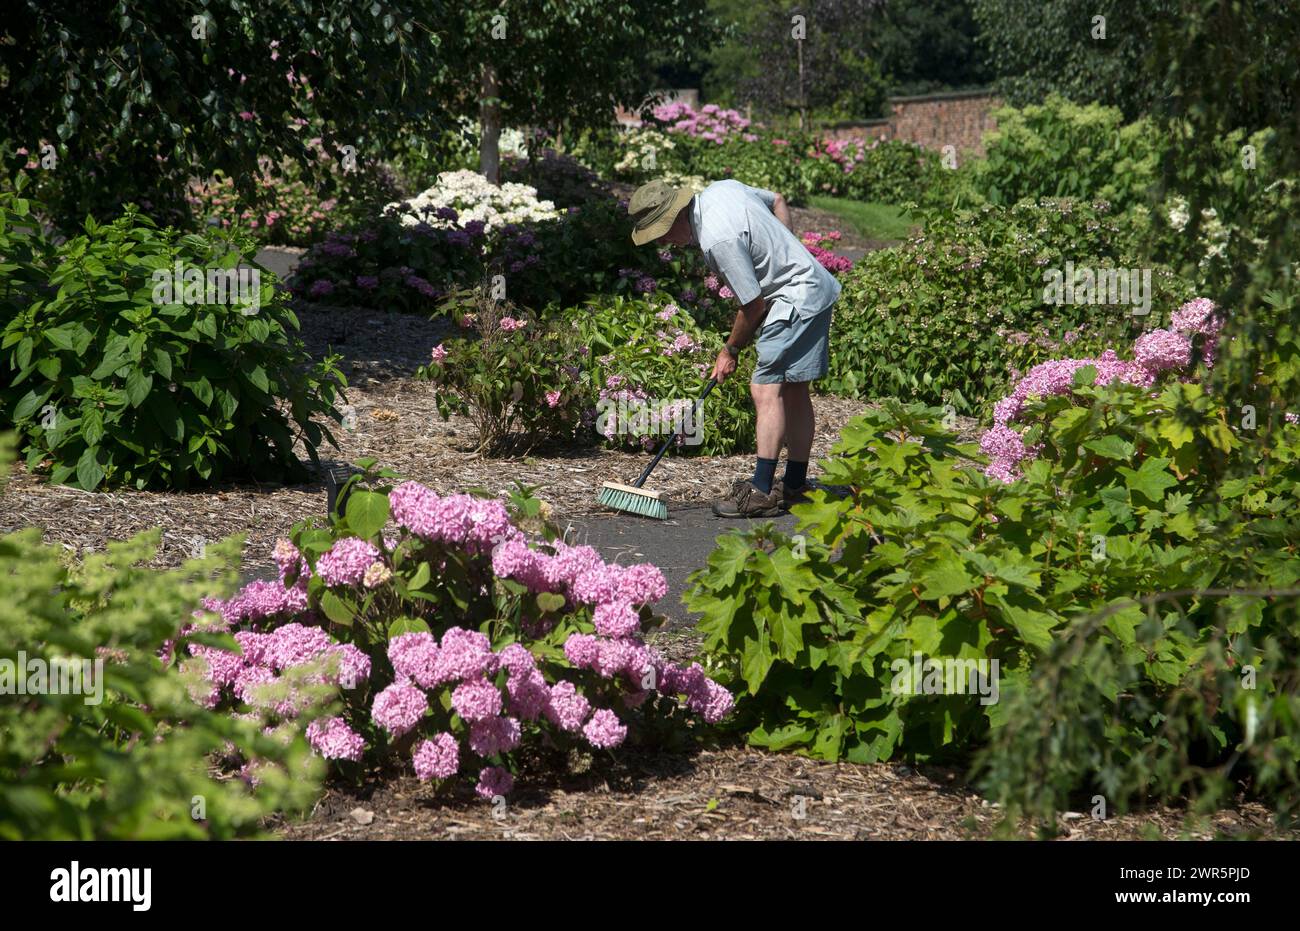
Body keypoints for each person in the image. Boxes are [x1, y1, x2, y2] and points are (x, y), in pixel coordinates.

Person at [627, 178, 841, 517]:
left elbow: (753, 305)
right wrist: (788, 256)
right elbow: (778, 199)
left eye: (664, 232)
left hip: (795, 300)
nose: (668, 242)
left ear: (677, 215)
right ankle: (796, 486)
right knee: (795, 389)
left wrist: (730, 350)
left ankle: (759, 491)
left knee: (764, 388)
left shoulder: (717, 240)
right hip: (814, 288)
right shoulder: (720, 189)